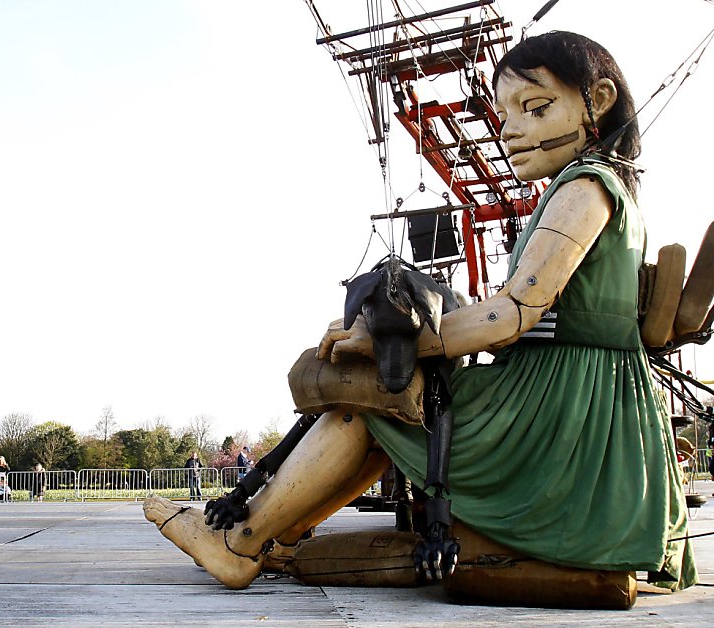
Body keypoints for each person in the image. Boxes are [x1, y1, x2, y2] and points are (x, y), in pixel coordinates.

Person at [144, 30, 696, 594]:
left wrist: (388, 342)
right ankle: (278, 536)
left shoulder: (582, 187)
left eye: (535, 107)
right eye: (505, 114)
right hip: (585, 399)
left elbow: (512, 313)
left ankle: (241, 541)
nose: (510, 129)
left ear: (598, 99)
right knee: (396, 411)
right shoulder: (610, 191)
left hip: (557, 407)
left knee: (374, 402)